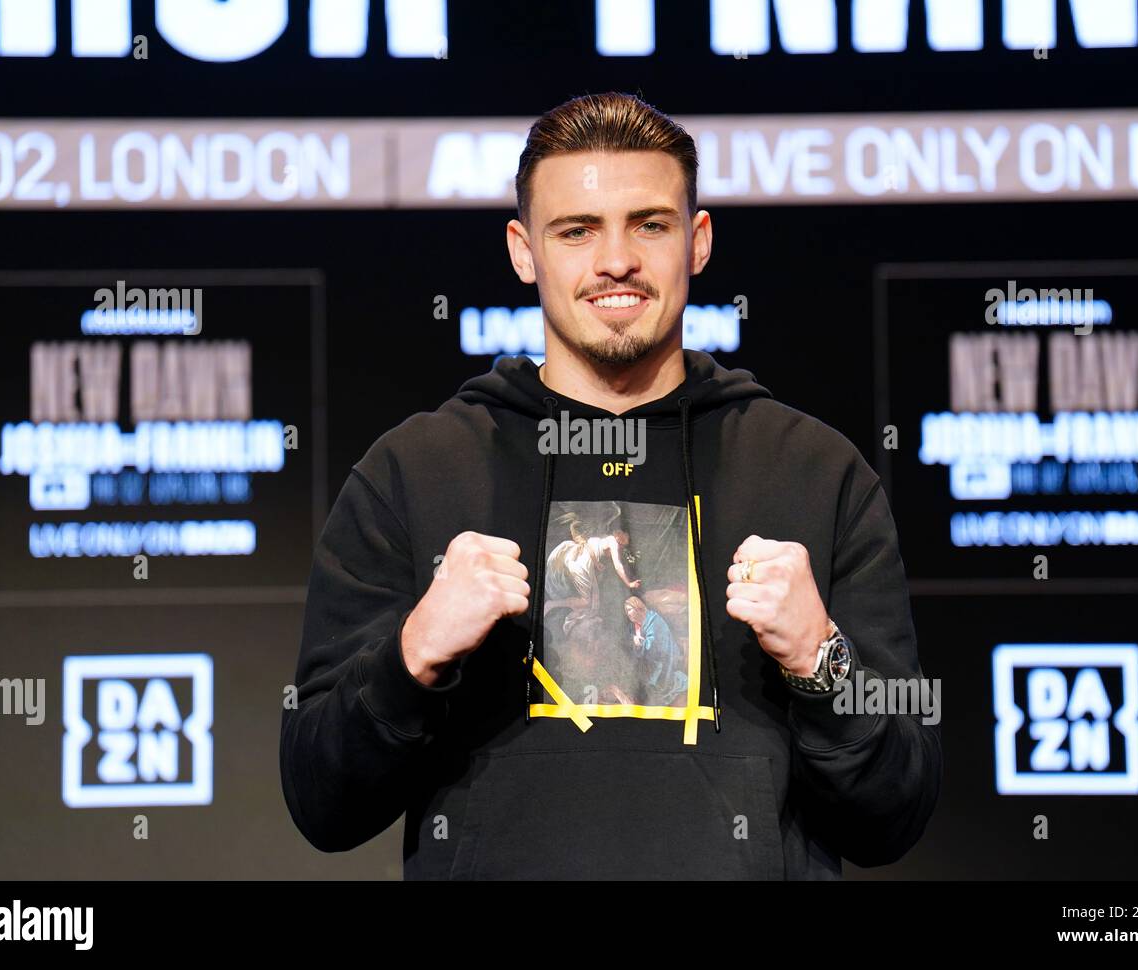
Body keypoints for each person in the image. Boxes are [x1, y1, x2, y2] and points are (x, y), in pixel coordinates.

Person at [280, 91, 941, 880]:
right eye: (578, 230)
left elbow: (897, 812)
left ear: (697, 241)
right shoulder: (413, 475)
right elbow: (321, 802)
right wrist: (412, 656)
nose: (616, 260)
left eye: (650, 224)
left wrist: (820, 661)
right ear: (524, 251)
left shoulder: (815, 473)